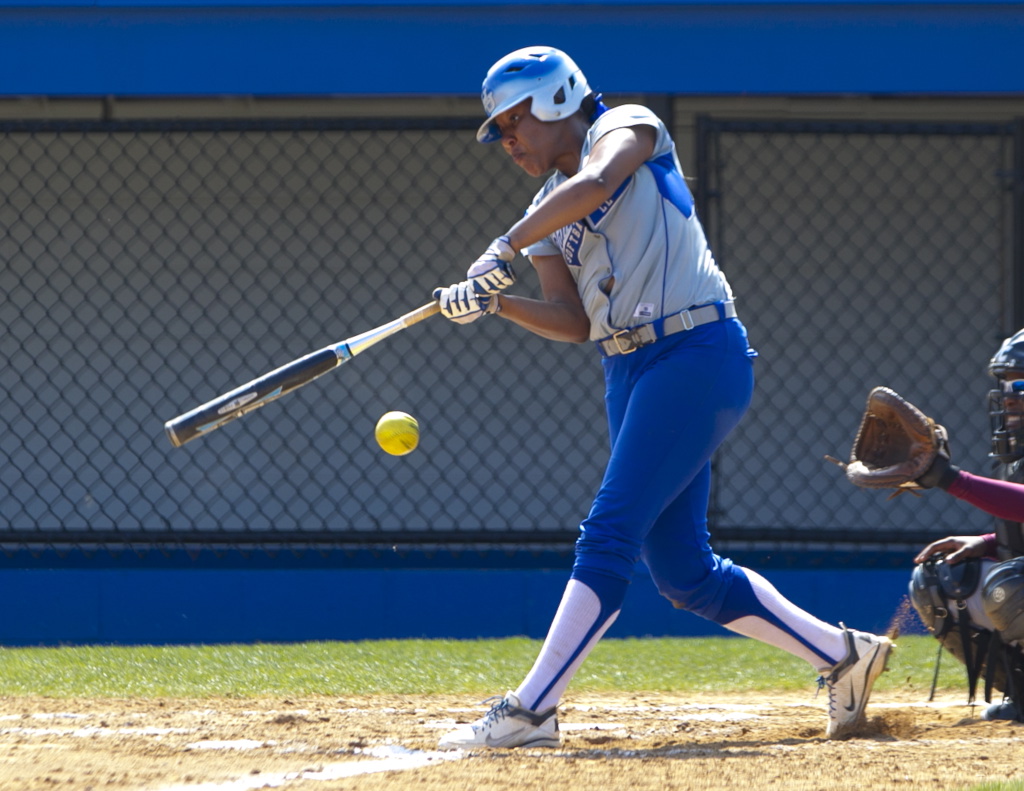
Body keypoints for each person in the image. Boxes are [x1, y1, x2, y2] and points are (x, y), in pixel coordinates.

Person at [430, 45, 892, 749]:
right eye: (498, 129)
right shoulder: (541, 212)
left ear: (558, 100)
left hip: (696, 352)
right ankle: (845, 655)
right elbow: (576, 320)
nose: (507, 139)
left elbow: (599, 177)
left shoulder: (630, 127)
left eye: (515, 120)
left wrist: (505, 247)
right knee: (684, 572)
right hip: (629, 371)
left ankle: (532, 710)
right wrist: (499, 302)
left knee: (608, 530)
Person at [906, 328, 1024, 722]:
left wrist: (948, 478)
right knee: (943, 581)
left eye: (1020, 384)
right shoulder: (1015, 454)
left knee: (1012, 585)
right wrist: (988, 543)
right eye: (1005, 384)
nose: (1009, 396)